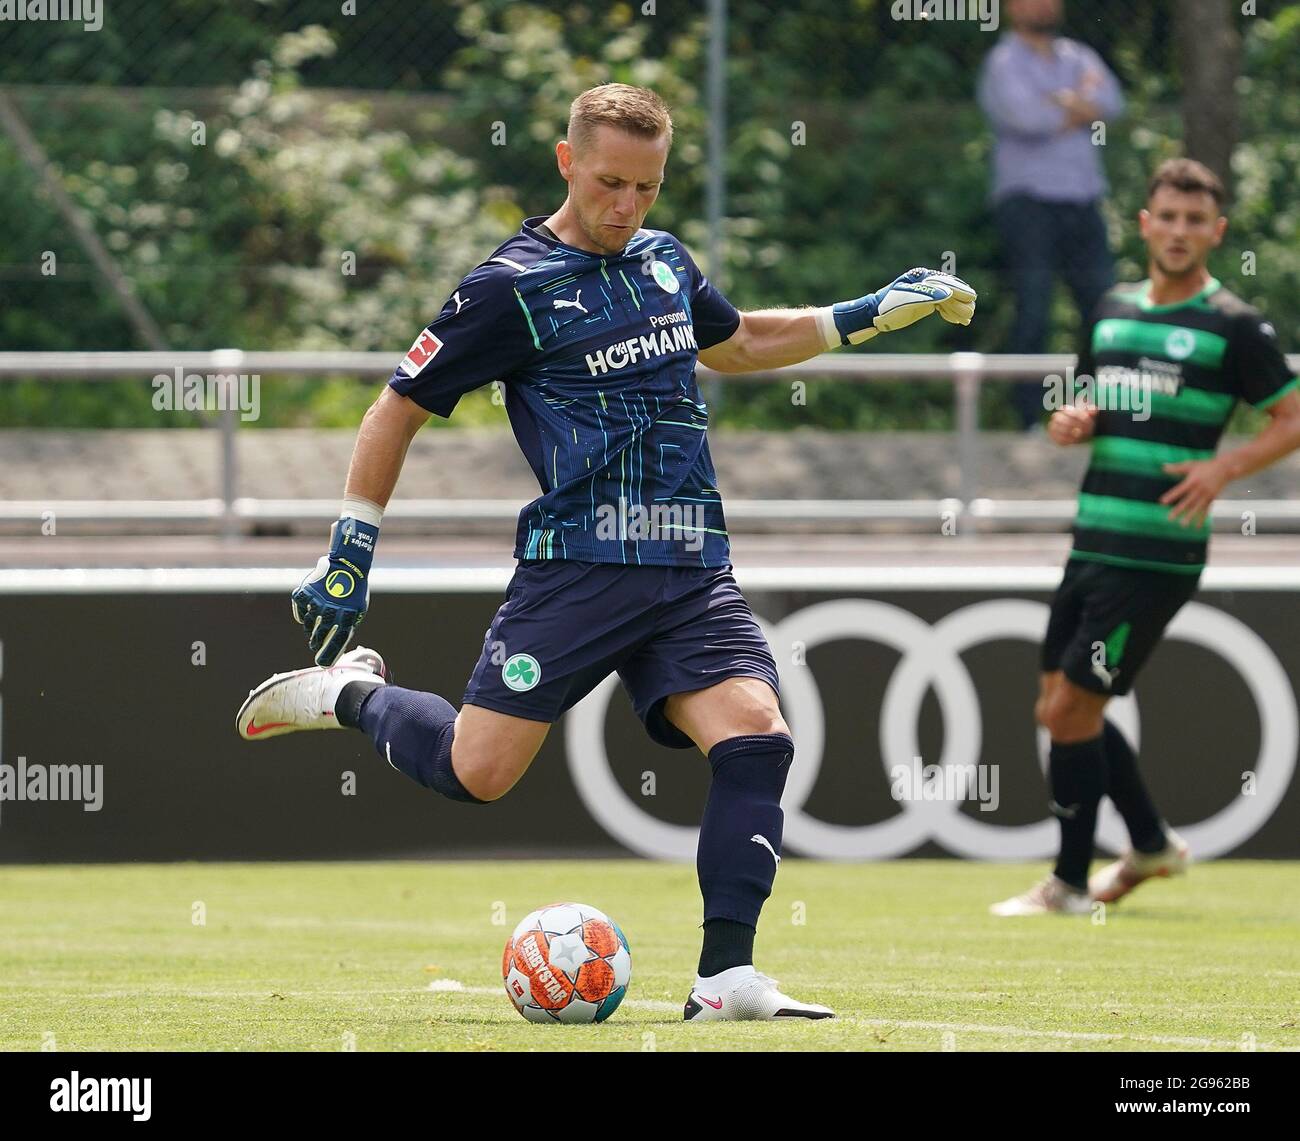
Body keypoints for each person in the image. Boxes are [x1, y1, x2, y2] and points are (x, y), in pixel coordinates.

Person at [235, 84, 976, 1016]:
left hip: (690, 563)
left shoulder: (664, 262)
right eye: (610, 182)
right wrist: (352, 544)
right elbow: (399, 406)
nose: (627, 206)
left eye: (648, 188)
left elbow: (738, 341)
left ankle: (726, 977)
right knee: (480, 772)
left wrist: (863, 313)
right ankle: (352, 693)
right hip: (578, 566)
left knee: (756, 735)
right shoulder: (507, 287)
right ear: (566, 162)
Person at [992, 158, 1300, 916]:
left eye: (1196, 221)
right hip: (1091, 539)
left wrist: (1226, 467)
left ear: (1216, 233)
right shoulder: (1112, 309)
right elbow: (1093, 402)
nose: (1180, 231)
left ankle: (1068, 884)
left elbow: (1292, 416)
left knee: (1071, 713)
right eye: (1168, 216)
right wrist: (1075, 422)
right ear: (1145, 223)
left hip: (1156, 554)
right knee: (1058, 707)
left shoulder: (1234, 325)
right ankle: (1152, 842)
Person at [977, 0, 1124, 430]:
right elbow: (1027, 118)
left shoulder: (1080, 55)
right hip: (1028, 203)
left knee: (1105, 309)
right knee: (1034, 307)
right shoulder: (1002, 63)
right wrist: (1080, 105)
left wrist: (1059, 102)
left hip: (1084, 200)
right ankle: (1028, 420)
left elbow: (1113, 104)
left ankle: (1094, 414)